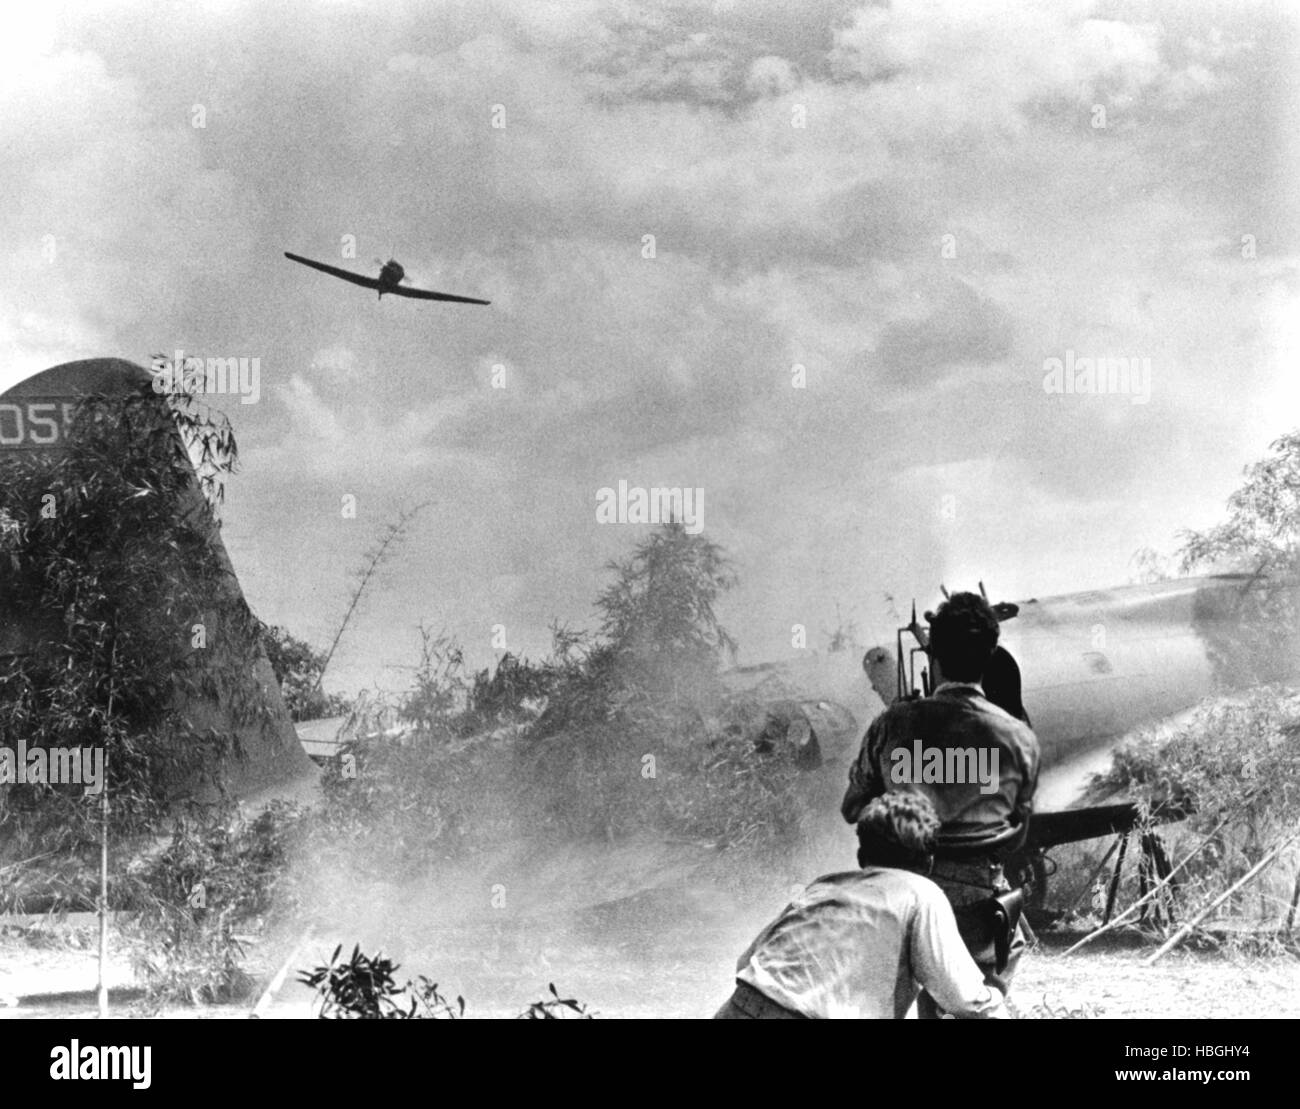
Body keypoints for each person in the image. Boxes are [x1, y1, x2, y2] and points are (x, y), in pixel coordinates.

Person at [841, 591, 1040, 1005]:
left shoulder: (892, 724)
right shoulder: (1017, 737)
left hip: (898, 900)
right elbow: (1018, 835)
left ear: (933, 655)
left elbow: (852, 808)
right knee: (1009, 952)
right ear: (990, 657)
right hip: (980, 914)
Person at [714, 792, 1007, 1019]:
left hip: (740, 1006)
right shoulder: (921, 894)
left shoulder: (825, 885)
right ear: (929, 861)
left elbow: (746, 962)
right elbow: (964, 998)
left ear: (861, 855)